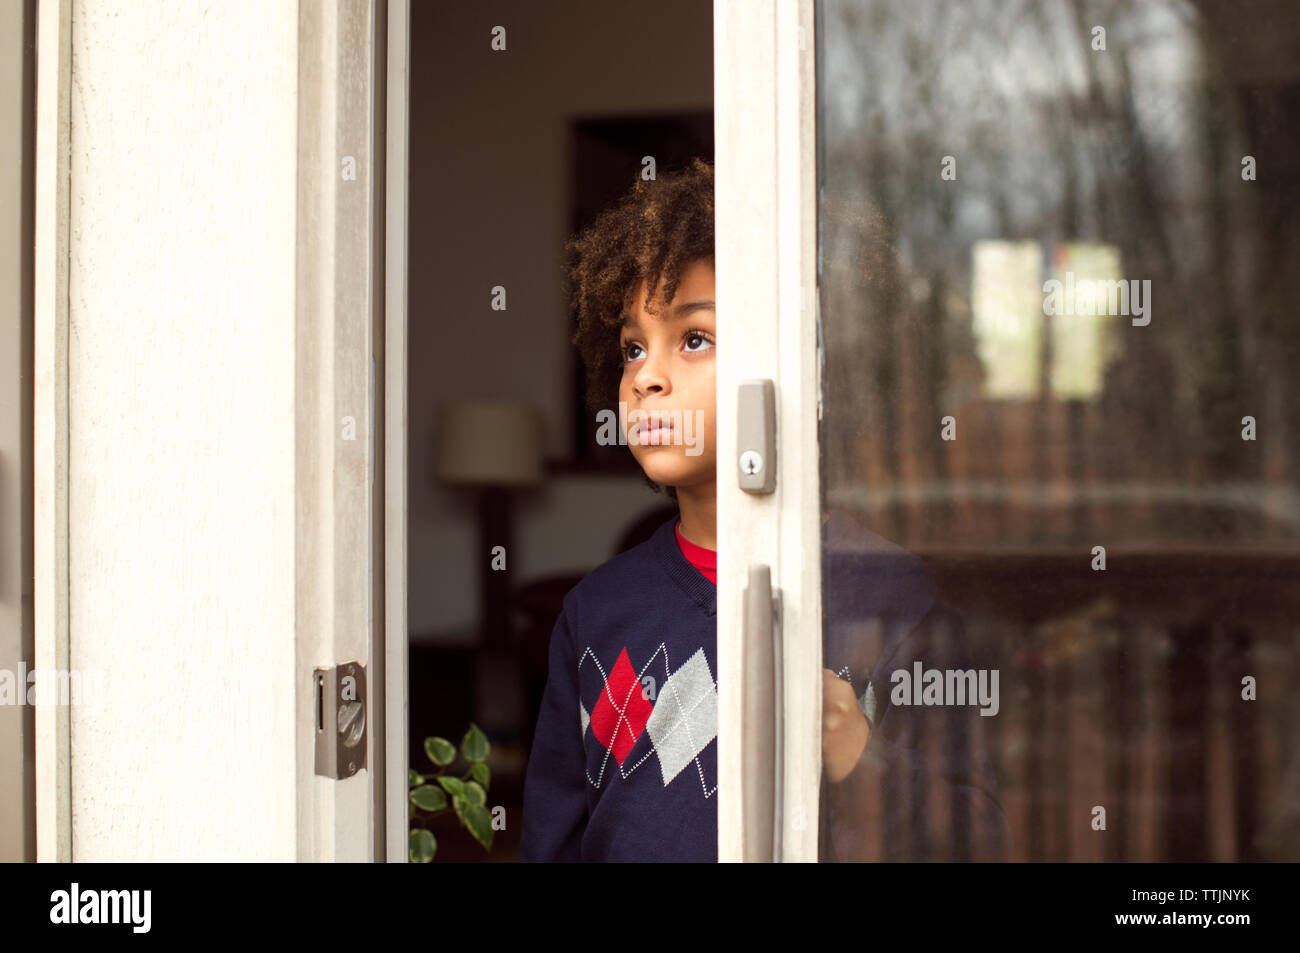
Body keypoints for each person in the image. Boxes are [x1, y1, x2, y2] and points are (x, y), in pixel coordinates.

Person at [519, 157, 1007, 861]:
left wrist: (858, 754)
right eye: (631, 346)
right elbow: (551, 845)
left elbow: (976, 840)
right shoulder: (597, 612)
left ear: (803, 366)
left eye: (694, 338)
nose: (646, 376)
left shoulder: (896, 602)